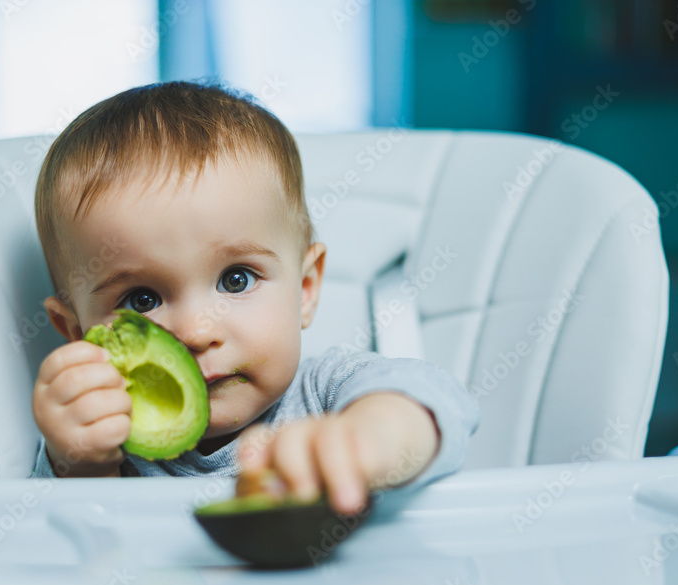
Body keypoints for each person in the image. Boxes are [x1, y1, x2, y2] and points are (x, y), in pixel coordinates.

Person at [28, 81, 479, 515]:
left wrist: (369, 439)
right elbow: (69, 554)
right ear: (75, 332)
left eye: (236, 280)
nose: (195, 331)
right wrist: (82, 463)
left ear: (305, 290)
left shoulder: (327, 392)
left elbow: (434, 402)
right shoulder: (103, 439)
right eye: (141, 300)